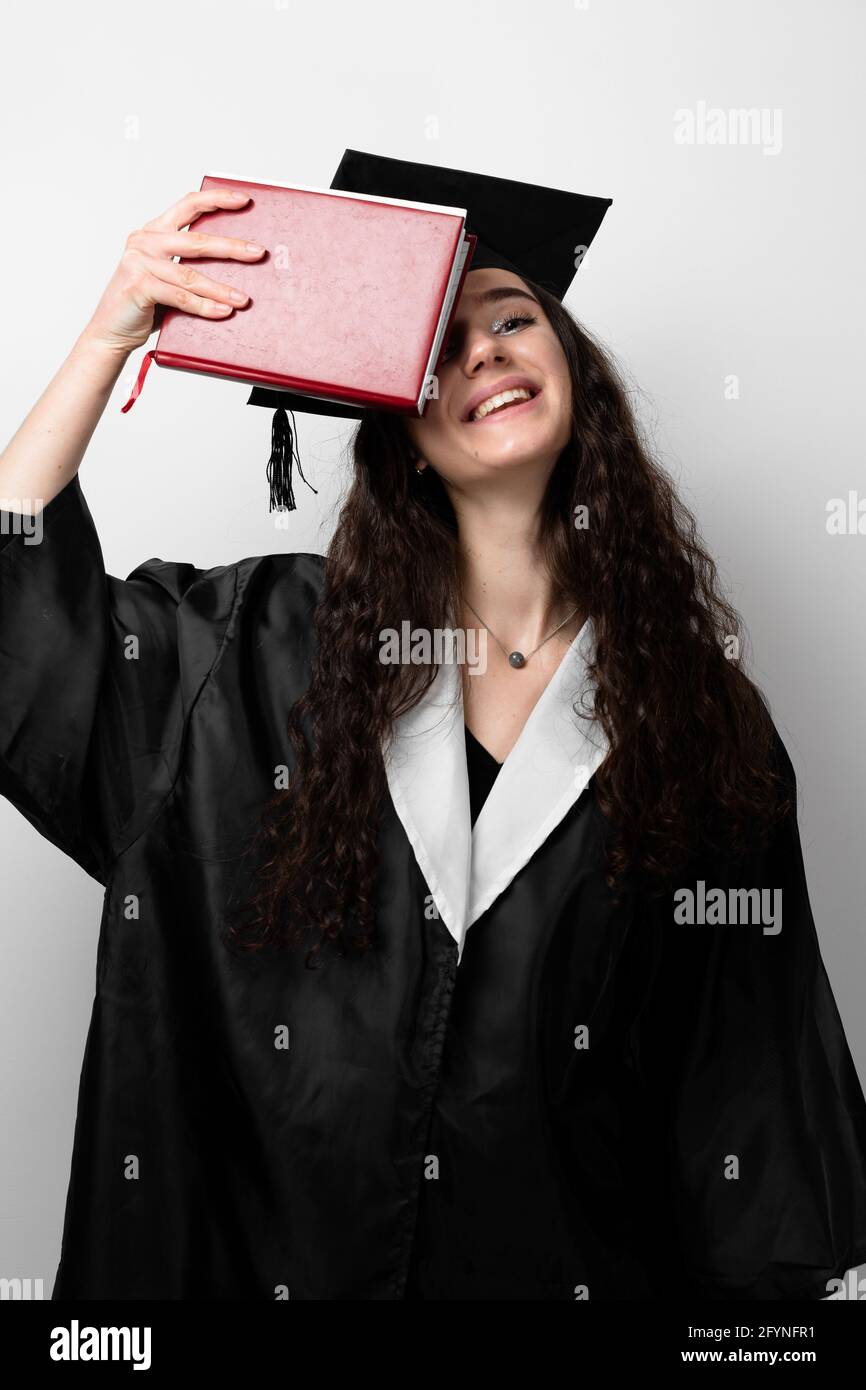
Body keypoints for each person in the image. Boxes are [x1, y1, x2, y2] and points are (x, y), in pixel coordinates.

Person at [2, 152, 866, 1302]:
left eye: (512, 318)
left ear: (572, 372)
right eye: (439, 343)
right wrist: (111, 335)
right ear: (400, 431)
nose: (485, 351)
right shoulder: (255, 649)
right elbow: (23, 635)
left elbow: (747, 1075)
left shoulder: (698, 721)